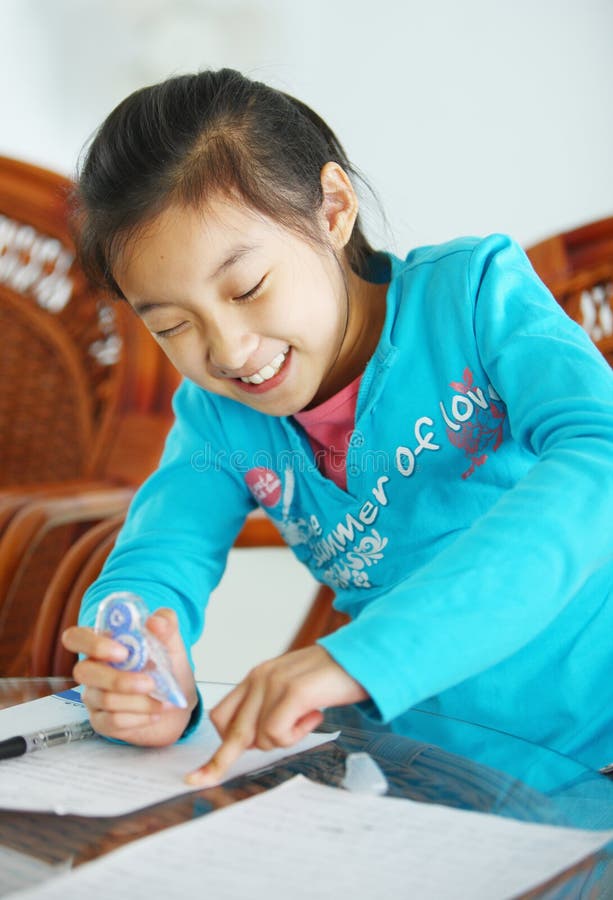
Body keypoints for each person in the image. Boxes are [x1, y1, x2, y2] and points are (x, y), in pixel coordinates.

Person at [62, 68, 613, 787]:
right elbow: (157, 557)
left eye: (247, 288)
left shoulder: (474, 298)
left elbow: (599, 457)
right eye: (171, 325)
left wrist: (360, 657)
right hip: (422, 778)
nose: (228, 350)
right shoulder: (218, 418)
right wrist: (138, 663)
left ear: (332, 209)